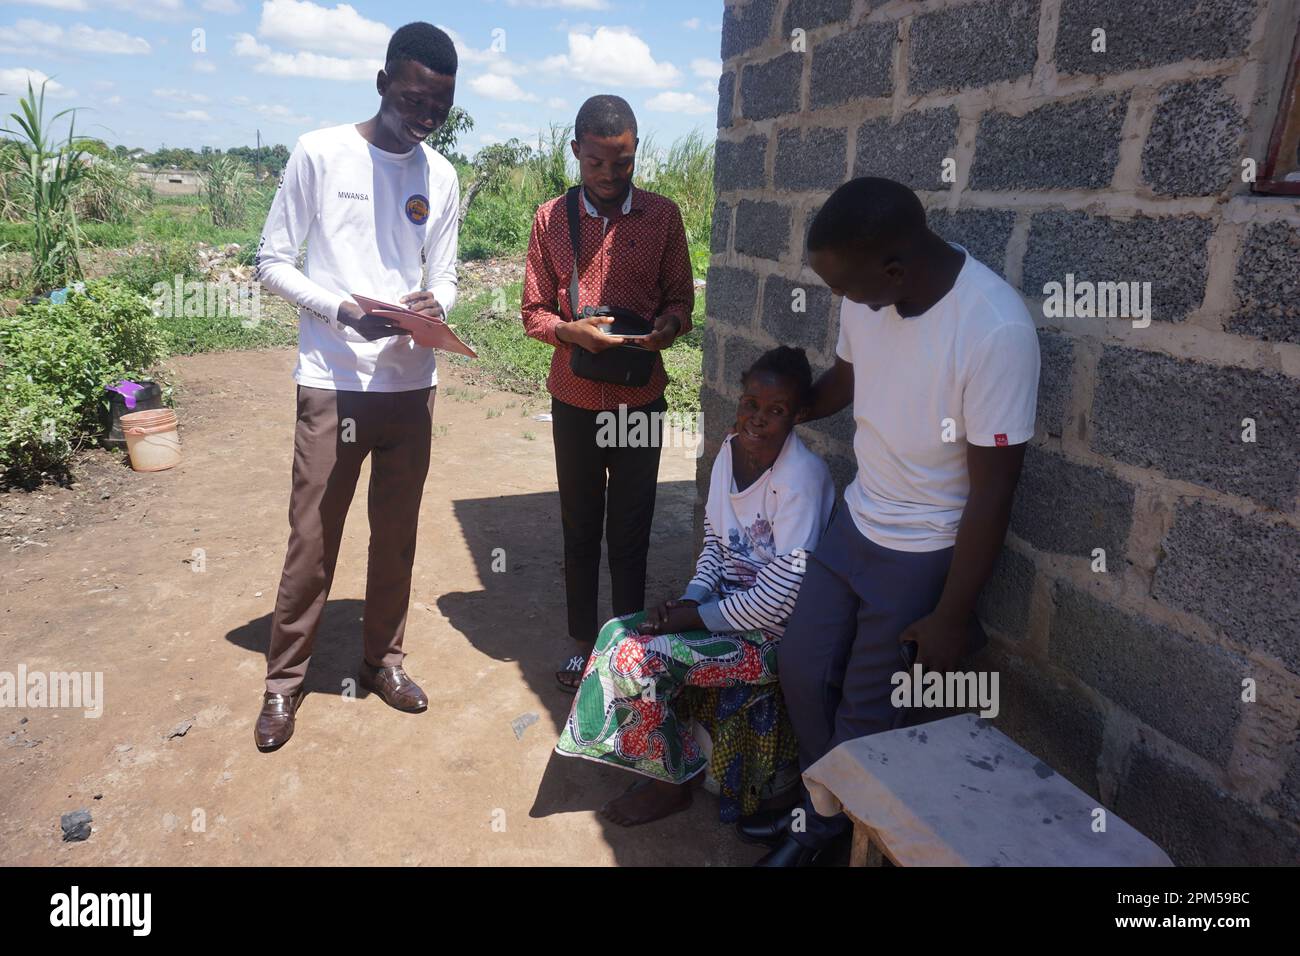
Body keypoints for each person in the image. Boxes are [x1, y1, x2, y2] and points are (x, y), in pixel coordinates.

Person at [753, 177, 1041, 865]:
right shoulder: (870, 296)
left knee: (867, 711)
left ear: (894, 271)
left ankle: (838, 836)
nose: (838, 300)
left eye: (845, 287)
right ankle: (824, 811)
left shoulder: (993, 330)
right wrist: (785, 411)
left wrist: (951, 612)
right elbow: (848, 379)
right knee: (801, 664)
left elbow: (995, 491)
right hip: (859, 518)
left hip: (925, 545)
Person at [250, 22, 461, 751]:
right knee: (312, 539)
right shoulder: (320, 152)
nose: (425, 116)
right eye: (413, 98)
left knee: (396, 536)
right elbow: (271, 260)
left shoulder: (441, 175)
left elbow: (446, 272)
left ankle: (382, 662)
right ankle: (283, 685)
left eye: (440, 105)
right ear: (381, 83)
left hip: (411, 385)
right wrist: (341, 309)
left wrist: (438, 306)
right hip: (333, 381)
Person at [556, 347, 835, 828]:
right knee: (616, 634)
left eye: (776, 411)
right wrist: (693, 598)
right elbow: (716, 543)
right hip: (723, 612)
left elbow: (784, 594)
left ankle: (671, 786)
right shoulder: (730, 452)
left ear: (799, 415)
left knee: (640, 660)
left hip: (773, 635)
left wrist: (695, 618)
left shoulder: (802, 479)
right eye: (750, 403)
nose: (757, 419)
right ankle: (657, 756)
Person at [520, 94, 695, 693]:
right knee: (579, 524)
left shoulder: (663, 217)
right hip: (574, 395)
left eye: (621, 163)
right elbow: (532, 312)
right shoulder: (549, 219)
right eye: (597, 162)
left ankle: (623, 643)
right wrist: (570, 332)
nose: (609, 174)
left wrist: (668, 329)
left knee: (631, 525)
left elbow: (679, 300)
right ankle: (580, 642)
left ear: (635, 150)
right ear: (576, 152)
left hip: (639, 398)